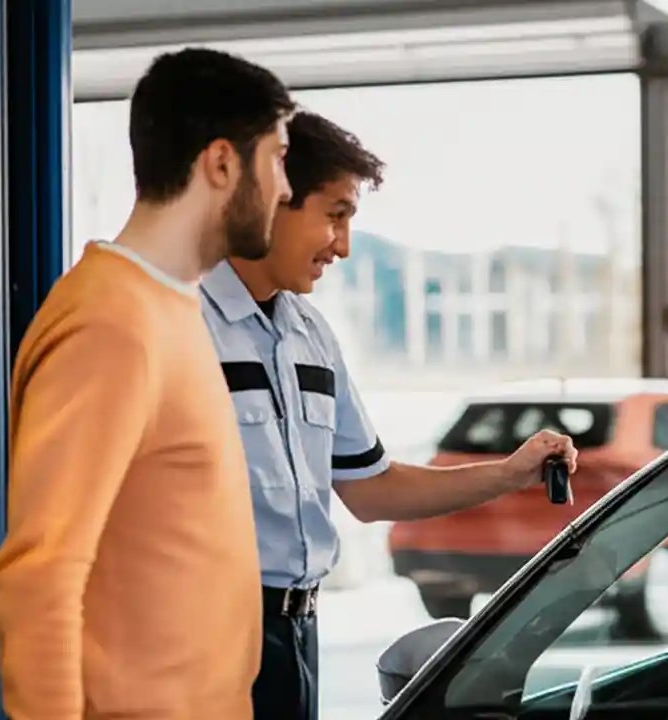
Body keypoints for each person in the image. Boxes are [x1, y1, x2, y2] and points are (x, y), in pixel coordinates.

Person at [199, 110, 579, 720]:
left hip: (295, 635)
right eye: (335, 216)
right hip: (199, 634)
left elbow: (371, 489)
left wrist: (510, 473)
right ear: (273, 196)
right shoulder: (179, 324)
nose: (343, 247)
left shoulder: (309, 334)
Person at [0, 47, 295, 719]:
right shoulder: (110, 323)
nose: (286, 187)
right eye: (276, 157)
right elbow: (38, 577)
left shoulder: (169, 307)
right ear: (220, 162)